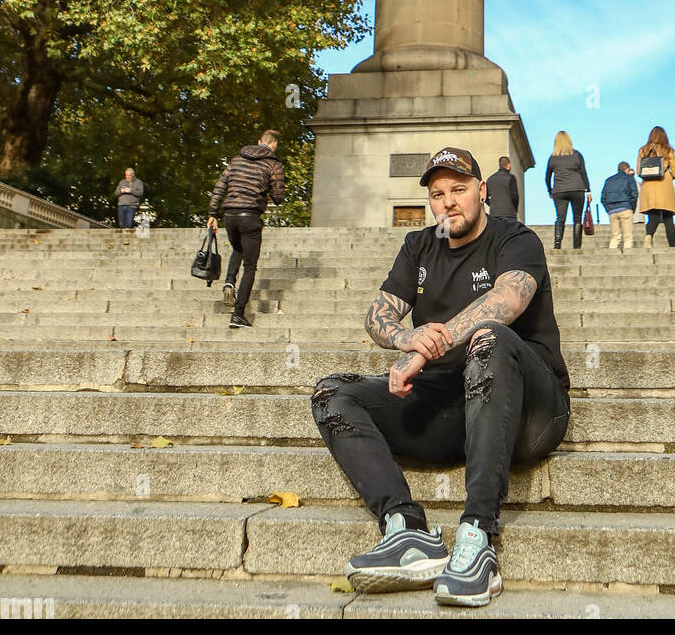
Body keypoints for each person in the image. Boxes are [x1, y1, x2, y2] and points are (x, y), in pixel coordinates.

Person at [311, 146, 569, 608]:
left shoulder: (516, 239)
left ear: (482, 191)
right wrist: (404, 340)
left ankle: (478, 536)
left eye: (459, 189)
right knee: (332, 393)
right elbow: (378, 314)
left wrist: (439, 339)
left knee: (488, 336)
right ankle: (406, 530)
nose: (448, 201)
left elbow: (508, 299)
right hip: (455, 412)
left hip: (530, 410)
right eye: (438, 193)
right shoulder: (419, 245)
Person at [207, 130, 285, 330]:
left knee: (237, 249)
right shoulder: (273, 164)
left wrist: (212, 214)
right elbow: (278, 196)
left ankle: (230, 281)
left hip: (230, 215)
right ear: (274, 145)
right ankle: (238, 314)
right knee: (250, 266)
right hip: (250, 216)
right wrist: (266, 193)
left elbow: (220, 186)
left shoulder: (236, 160)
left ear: (259, 141)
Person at [544, 131, 592, 250]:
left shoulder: (552, 157)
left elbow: (547, 176)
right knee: (577, 218)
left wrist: (550, 190)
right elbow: (583, 173)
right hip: (577, 188)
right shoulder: (577, 155)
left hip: (559, 191)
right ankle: (576, 246)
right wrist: (589, 191)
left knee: (560, 217)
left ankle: (557, 243)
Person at [637, 127, 675, 248]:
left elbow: (639, 171)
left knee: (653, 216)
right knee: (668, 218)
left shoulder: (643, 151)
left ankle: (648, 235)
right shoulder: (668, 150)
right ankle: (672, 247)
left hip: (648, 186)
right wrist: (669, 175)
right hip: (664, 186)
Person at [600, 160, 638, 250]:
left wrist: (609, 209)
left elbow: (603, 198)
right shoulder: (629, 178)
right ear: (627, 169)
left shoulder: (609, 180)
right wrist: (632, 208)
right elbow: (634, 195)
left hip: (612, 211)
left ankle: (611, 255)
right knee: (627, 237)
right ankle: (627, 257)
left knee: (615, 236)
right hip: (625, 207)